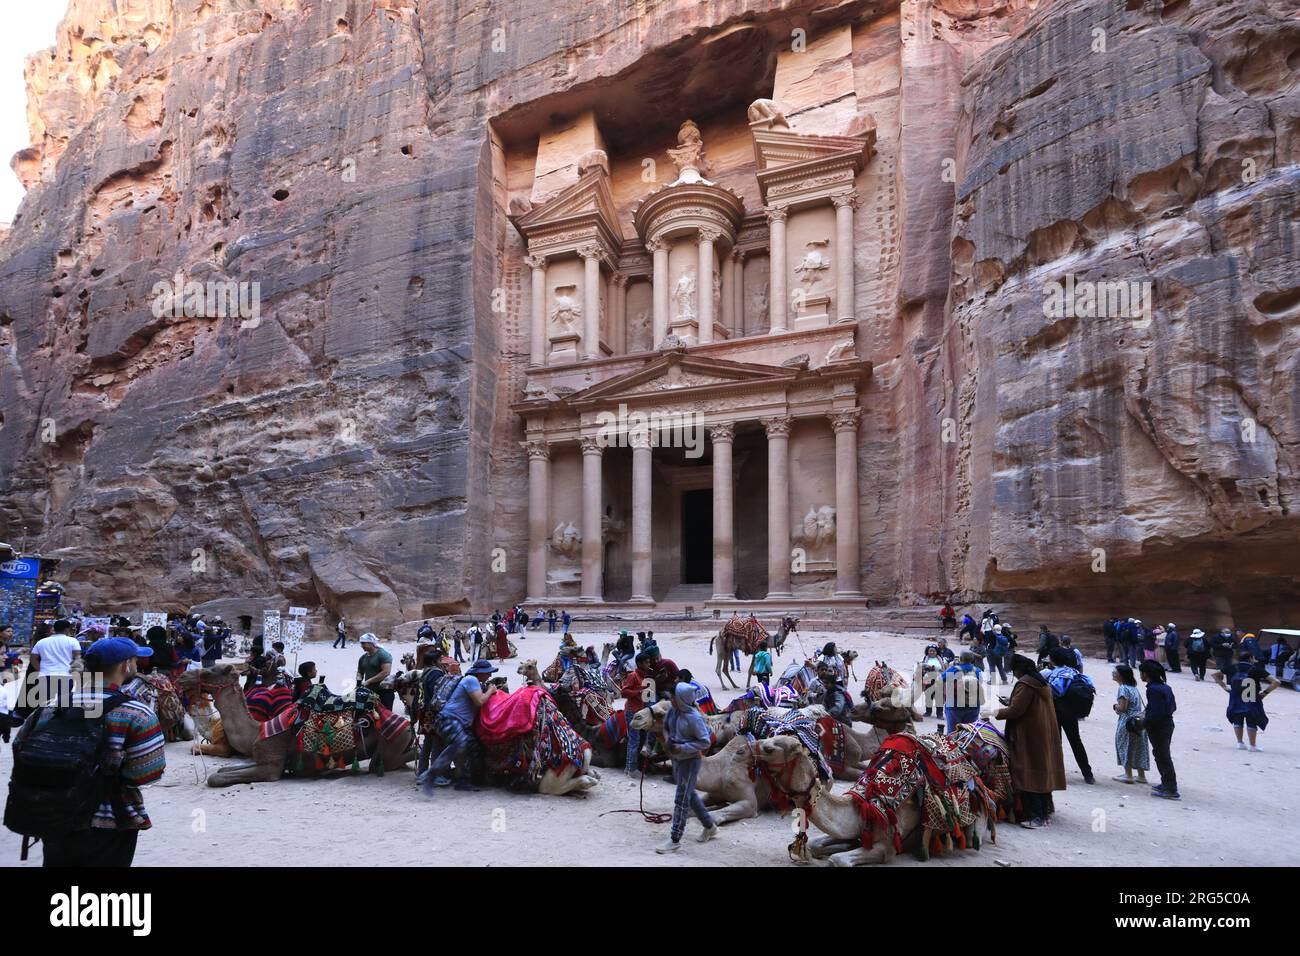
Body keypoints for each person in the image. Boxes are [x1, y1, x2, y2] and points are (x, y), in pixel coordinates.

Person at [21, 637, 166, 866]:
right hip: (111, 819)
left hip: (54, 812)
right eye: (135, 659)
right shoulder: (136, 712)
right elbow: (147, 773)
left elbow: (21, 747)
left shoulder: (52, 706)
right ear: (125, 665)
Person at [994, 654, 1066, 829]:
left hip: (1029, 735)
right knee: (1041, 772)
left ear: (1018, 669)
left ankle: (1036, 817)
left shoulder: (1025, 684)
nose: (1014, 674)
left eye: (1013, 671)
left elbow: (1016, 710)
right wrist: (1010, 702)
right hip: (1043, 734)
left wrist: (996, 712)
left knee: (1028, 775)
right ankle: (1046, 812)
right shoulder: (1040, 682)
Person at [656, 682, 718, 853]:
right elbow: (667, 727)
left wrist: (682, 748)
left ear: (682, 699)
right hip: (676, 760)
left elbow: (705, 741)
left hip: (689, 762)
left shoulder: (693, 717)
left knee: (681, 799)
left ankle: (675, 839)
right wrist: (669, 742)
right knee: (689, 796)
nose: (671, 700)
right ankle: (710, 826)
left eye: (673, 697)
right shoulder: (673, 711)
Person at [425, 659, 498, 792]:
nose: (490, 676)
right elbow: (479, 701)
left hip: (458, 723)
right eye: (488, 672)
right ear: (480, 672)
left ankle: (463, 781)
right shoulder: (471, 680)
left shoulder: (475, 682)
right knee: (461, 743)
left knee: (471, 747)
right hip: (449, 719)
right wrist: (491, 690)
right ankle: (432, 773)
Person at [1044, 646, 1096, 785]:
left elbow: (1054, 692)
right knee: (1076, 742)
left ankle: (1057, 773)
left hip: (1056, 712)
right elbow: (1090, 683)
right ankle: (1088, 774)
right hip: (1071, 712)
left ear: (1053, 660)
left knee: (1056, 742)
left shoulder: (1053, 674)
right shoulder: (1073, 671)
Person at [1214, 656, 1279, 752]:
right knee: (1251, 718)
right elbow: (1276, 682)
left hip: (1235, 695)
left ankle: (1240, 743)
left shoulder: (1232, 667)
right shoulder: (1256, 669)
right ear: (1250, 658)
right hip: (1251, 695)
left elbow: (1215, 675)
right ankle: (1252, 745)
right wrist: (1265, 693)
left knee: (1237, 717)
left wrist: (1224, 687)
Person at [1139, 660, 1178, 799]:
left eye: (1141, 673)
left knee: (1163, 756)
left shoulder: (1153, 689)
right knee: (1161, 754)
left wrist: (1144, 723)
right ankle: (1166, 783)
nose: (1140, 675)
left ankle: (1171, 788)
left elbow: (1156, 712)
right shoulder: (1165, 687)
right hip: (1167, 724)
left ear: (1146, 674)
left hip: (1159, 727)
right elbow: (1173, 707)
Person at [1111, 664, 1149, 785]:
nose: (1113, 673)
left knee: (1125, 746)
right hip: (1139, 721)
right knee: (1139, 748)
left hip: (1127, 722)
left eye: (1115, 672)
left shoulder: (1123, 688)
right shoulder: (1134, 688)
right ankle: (1141, 776)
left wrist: (1115, 707)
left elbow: (1122, 708)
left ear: (1121, 676)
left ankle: (1128, 775)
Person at [622, 652, 652, 776]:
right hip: (632, 712)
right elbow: (624, 692)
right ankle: (631, 769)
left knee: (638, 740)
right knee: (634, 740)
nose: (649, 664)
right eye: (646, 662)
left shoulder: (645, 676)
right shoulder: (633, 676)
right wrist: (639, 692)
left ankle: (630, 767)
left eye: (649, 662)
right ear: (639, 664)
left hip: (640, 711)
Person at [941, 651, 984, 733]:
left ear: (960, 659)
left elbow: (940, 679)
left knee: (952, 733)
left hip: (954, 706)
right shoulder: (977, 671)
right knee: (968, 732)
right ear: (972, 659)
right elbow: (980, 684)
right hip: (973, 706)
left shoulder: (953, 669)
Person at [356, 634, 394, 710]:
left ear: (371, 643)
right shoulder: (363, 658)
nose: (361, 646)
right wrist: (359, 682)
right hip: (370, 692)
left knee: (385, 717)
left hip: (384, 691)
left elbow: (386, 672)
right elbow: (360, 671)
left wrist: (369, 681)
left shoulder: (383, 655)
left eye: (363, 643)